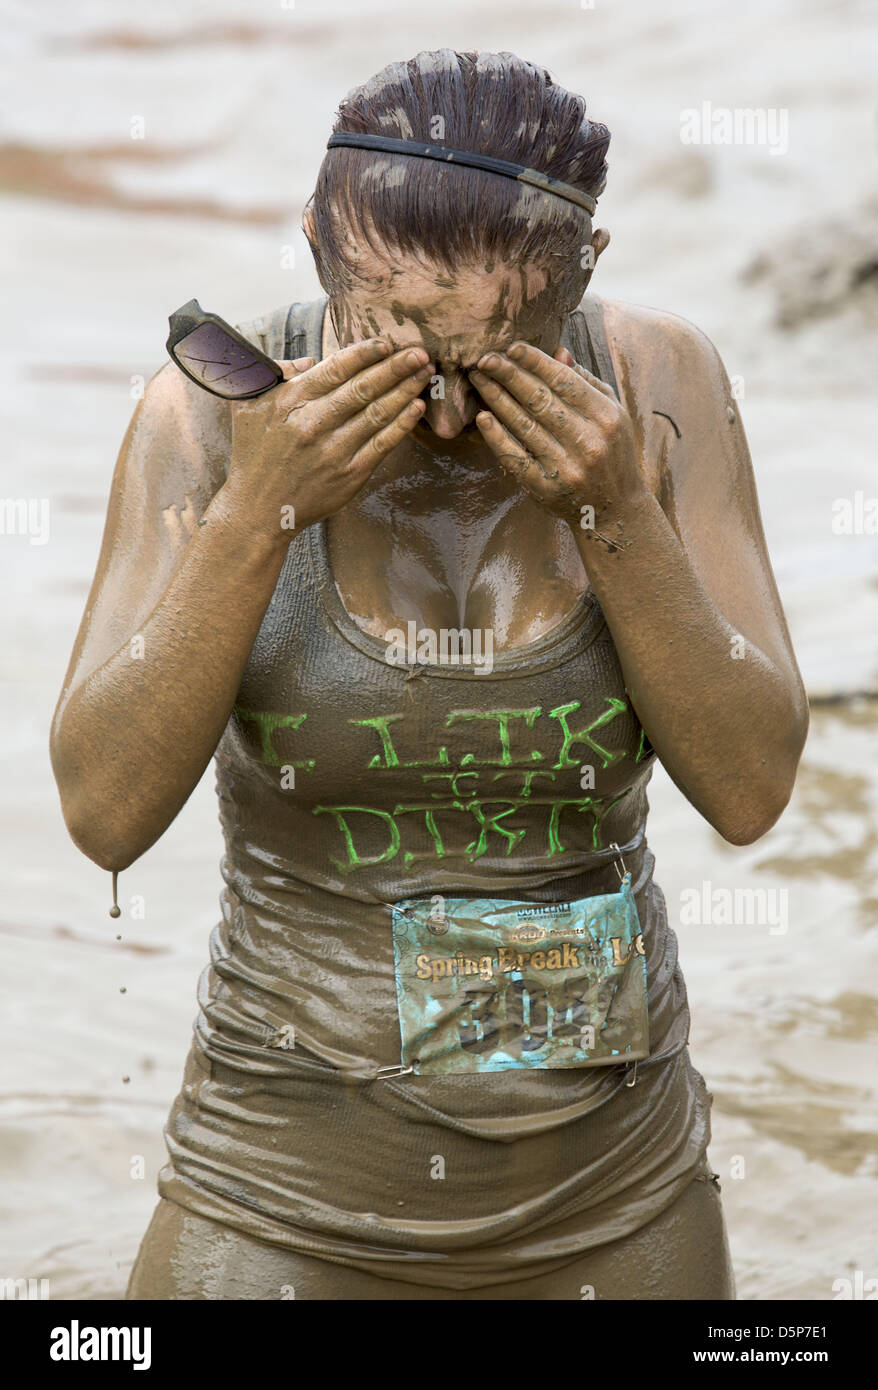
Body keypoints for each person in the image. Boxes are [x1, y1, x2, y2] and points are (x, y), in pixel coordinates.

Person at [50, 49, 808, 1300]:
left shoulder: (662, 388)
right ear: (314, 250)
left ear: (585, 273)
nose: (448, 418)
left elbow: (749, 790)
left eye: (504, 357)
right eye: (394, 351)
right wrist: (258, 519)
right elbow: (101, 813)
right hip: (278, 1188)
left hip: (613, 1192)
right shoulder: (200, 419)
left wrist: (617, 509)